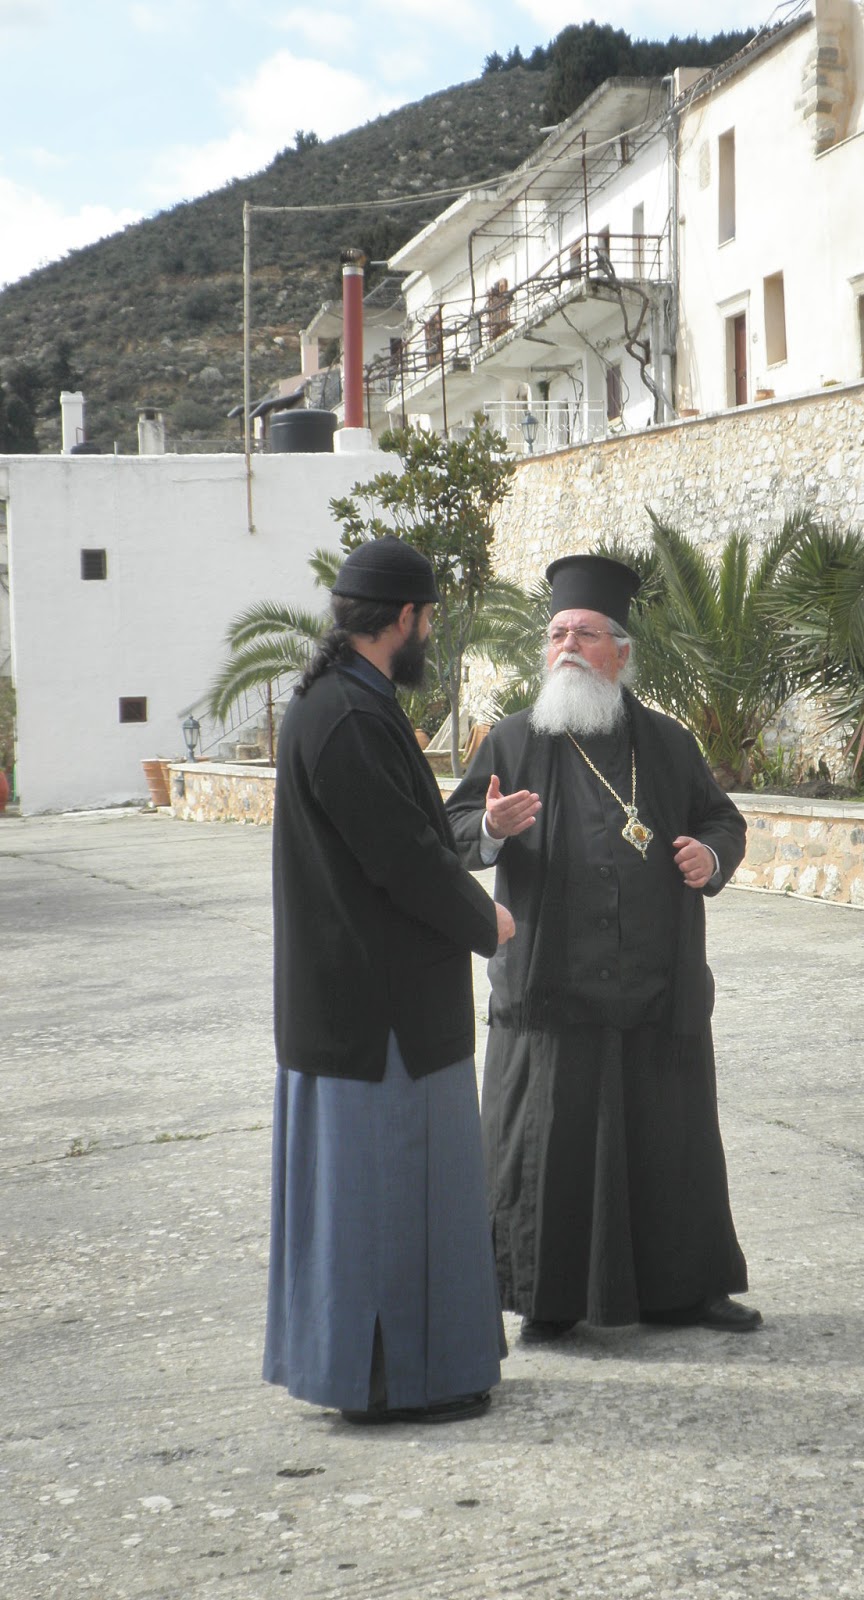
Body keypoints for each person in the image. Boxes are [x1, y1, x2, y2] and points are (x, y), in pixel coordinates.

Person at [445, 553, 760, 1341]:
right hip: (554, 987)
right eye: (556, 634)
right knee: (551, 1152)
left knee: (670, 1142)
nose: (567, 648)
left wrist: (711, 856)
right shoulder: (512, 743)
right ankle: (548, 1302)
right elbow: (449, 833)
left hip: (657, 986)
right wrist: (491, 828)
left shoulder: (665, 742)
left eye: (585, 634)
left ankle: (685, 1291)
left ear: (620, 650)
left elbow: (723, 819)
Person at [263, 536, 515, 1424]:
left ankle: (406, 1372)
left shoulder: (340, 704)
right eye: (428, 621)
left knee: (384, 1201)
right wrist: (488, 921)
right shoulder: (349, 716)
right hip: (380, 1025)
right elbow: (403, 859)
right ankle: (393, 1383)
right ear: (402, 620)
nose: (429, 638)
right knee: (387, 1199)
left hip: (362, 1009)